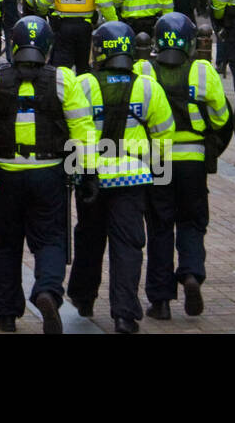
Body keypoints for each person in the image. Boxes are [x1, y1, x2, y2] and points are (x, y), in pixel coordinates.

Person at [0, 17, 96, 333]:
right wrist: (88, 174)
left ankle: (5, 314)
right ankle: (46, 291)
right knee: (51, 239)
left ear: (12, 44)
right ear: (47, 47)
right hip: (49, 175)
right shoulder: (64, 80)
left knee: (5, 242)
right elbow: (84, 132)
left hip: (5, 174)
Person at [67, 21, 174, 334]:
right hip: (132, 181)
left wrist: (76, 171)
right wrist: (155, 170)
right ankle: (125, 315)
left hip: (91, 178)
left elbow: (72, 130)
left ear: (100, 50)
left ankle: (83, 299)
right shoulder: (148, 87)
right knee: (128, 246)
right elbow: (164, 133)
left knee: (89, 237)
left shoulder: (83, 83)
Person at [138, 14, 230, 321]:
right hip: (193, 161)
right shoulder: (203, 71)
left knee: (160, 227)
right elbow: (219, 118)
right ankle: (191, 273)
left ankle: (160, 301)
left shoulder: (144, 69)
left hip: (157, 160)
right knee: (192, 222)